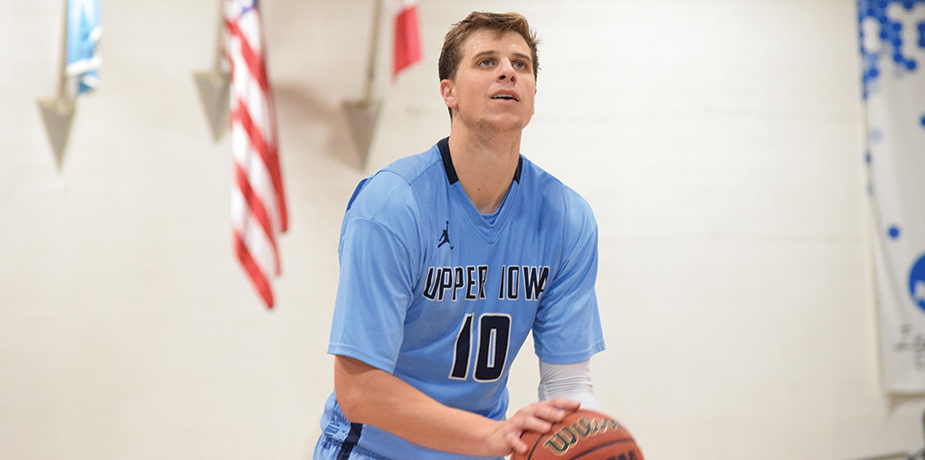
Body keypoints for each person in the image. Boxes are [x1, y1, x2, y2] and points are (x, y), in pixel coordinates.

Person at [314, 11, 606, 460]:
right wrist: (490, 436)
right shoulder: (392, 206)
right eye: (487, 61)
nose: (508, 71)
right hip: (374, 452)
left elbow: (568, 384)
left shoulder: (566, 218)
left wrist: (588, 446)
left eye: (521, 64)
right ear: (447, 91)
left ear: (532, 97)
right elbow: (359, 390)